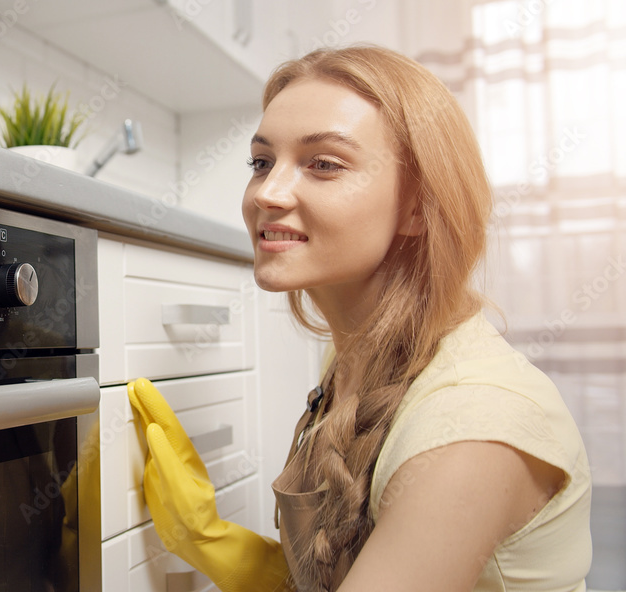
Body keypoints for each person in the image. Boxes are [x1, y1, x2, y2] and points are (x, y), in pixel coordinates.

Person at [127, 45, 592, 592]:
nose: (267, 193)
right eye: (260, 162)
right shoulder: (358, 359)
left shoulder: (472, 427)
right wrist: (211, 541)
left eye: (323, 163)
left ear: (419, 205)